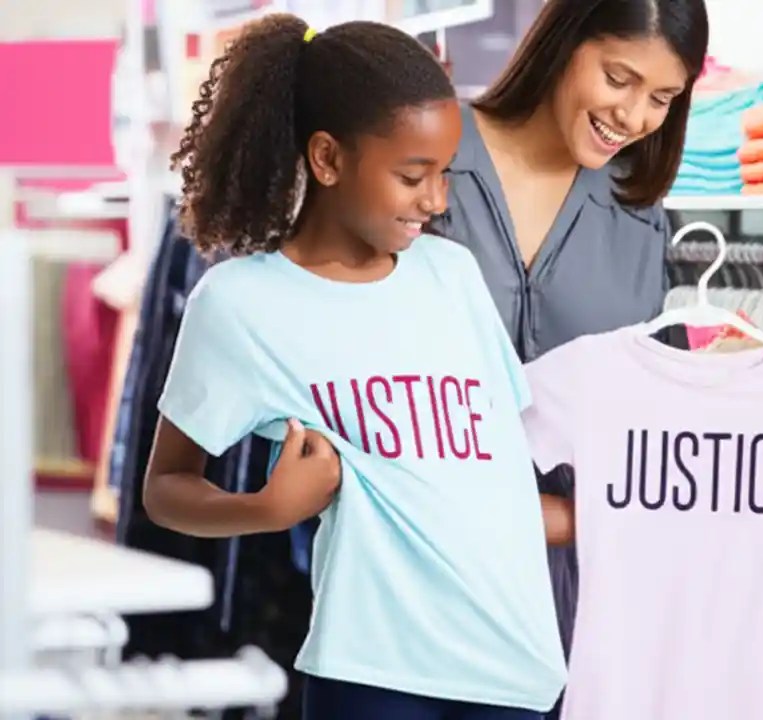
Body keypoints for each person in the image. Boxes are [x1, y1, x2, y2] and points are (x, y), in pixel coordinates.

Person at [429, 0, 763, 702]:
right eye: (618, 78)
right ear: (564, 40)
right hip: (417, 589)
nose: (635, 117)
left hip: (574, 621)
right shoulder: (429, 154)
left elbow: (652, 424)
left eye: (663, 97)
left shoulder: (636, 214)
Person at [142, 15, 565, 720]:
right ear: (329, 158)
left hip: (516, 664)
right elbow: (165, 488)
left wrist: (608, 515)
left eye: (443, 175)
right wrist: (268, 510)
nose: (436, 201)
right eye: (411, 176)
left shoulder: (452, 275)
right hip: (376, 672)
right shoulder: (244, 302)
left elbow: (482, 478)